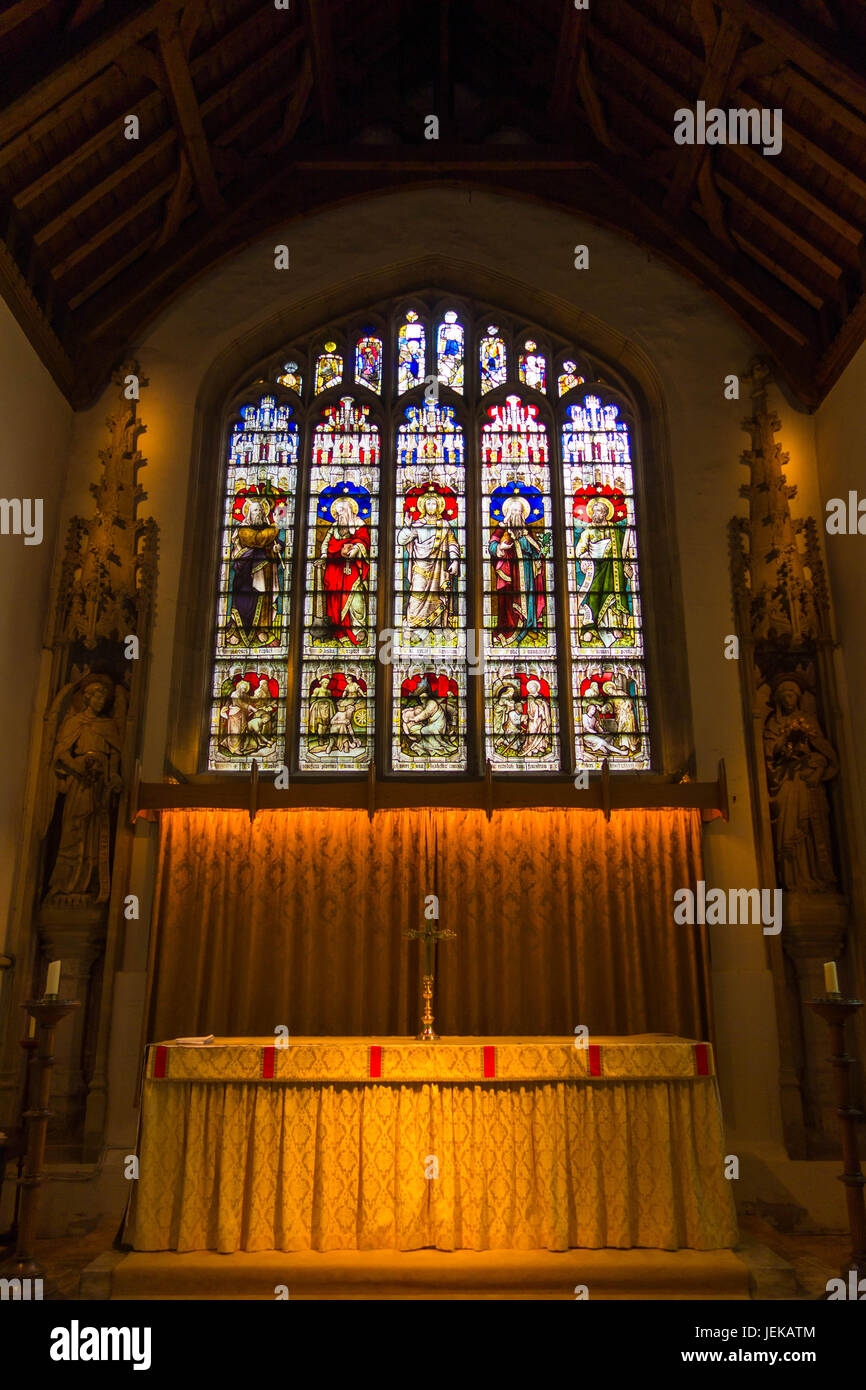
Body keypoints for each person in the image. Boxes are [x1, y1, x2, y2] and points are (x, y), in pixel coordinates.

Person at [763, 677, 838, 891]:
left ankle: (818, 877)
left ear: (797, 698)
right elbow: (769, 752)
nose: (788, 699)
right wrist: (784, 748)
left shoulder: (808, 721)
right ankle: (794, 879)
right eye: (784, 695)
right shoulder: (773, 723)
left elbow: (823, 749)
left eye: (792, 695)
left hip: (807, 781)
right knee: (789, 827)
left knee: (813, 829)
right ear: (778, 700)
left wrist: (816, 763)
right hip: (787, 780)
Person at [396, 487, 460, 634]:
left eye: (434, 504)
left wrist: (455, 560)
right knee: (416, 596)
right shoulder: (418, 524)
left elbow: (452, 543)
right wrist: (407, 526)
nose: (431, 507)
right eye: (428, 504)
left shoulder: (444, 525)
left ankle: (436, 625)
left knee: (437, 596)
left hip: (439, 567)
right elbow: (401, 540)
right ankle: (412, 624)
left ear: (438, 506)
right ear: (423, 506)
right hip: (420, 568)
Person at [574, 495, 634, 648]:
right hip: (595, 571)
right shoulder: (588, 531)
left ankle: (615, 627)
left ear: (606, 513)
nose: (595, 514)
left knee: (613, 597)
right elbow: (580, 549)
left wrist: (626, 564)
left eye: (599, 511)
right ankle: (589, 629)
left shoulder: (615, 531)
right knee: (593, 598)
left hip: (613, 570)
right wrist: (585, 558)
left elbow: (622, 551)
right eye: (594, 511)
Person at [489, 494, 546, 643]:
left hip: (527, 571)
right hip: (510, 573)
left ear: (523, 514)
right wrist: (501, 547)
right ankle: (509, 631)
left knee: (530, 598)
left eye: (519, 511)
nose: (516, 514)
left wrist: (539, 558)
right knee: (509, 603)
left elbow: (535, 550)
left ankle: (530, 627)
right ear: (507, 513)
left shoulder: (527, 532)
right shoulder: (502, 530)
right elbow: (492, 546)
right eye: (513, 511)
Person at [313, 495, 370, 645]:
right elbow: (326, 543)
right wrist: (324, 555)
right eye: (337, 514)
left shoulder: (358, 523)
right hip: (335, 569)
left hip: (353, 569)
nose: (339, 516)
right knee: (335, 599)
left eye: (341, 513)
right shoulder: (335, 526)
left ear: (349, 511)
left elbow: (364, 541)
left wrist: (356, 549)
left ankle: (358, 629)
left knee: (356, 600)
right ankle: (339, 630)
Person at [228, 496, 283, 646]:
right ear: (249, 513)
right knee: (244, 602)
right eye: (255, 510)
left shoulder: (268, 529)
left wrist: (277, 548)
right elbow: (258, 540)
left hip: (266, 571)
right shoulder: (244, 530)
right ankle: (237, 631)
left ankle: (261, 630)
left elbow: (271, 544)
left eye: (260, 510)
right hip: (247, 573)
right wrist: (276, 525)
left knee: (265, 600)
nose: (258, 512)